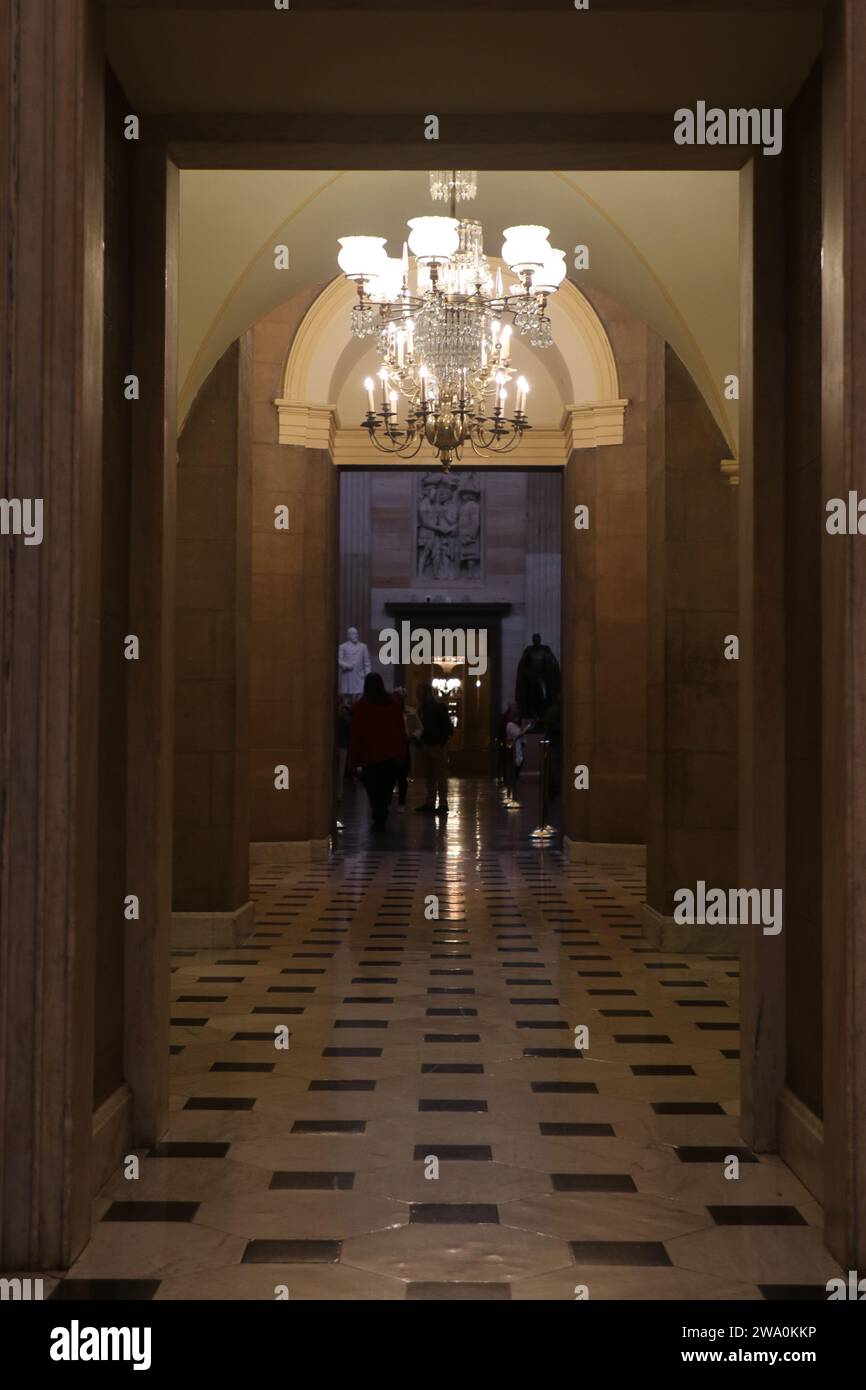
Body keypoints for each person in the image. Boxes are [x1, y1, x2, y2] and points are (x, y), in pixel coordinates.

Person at [348, 673, 407, 831]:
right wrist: (401, 753)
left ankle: (377, 813)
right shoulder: (393, 704)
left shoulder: (362, 705)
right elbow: (399, 730)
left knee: (373, 789)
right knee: (386, 788)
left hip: (370, 756)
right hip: (389, 755)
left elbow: (357, 734)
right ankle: (382, 813)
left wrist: (354, 760)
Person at [413, 681, 452, 815]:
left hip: (437, 745)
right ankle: (430, 801)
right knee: (429, 775)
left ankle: (442, 803)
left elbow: (446, 726)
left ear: (426, 693)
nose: (417, 696)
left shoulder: (437, 706)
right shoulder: (421, 708)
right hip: (427, 744)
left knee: (440, 774)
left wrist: (442, 742)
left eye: (419, 693)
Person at [515, 632, 561, 719]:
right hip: (531, 679)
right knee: (531, 697)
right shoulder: (529, 650)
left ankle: (543, 714)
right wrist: (527, 674)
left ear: (540, 640)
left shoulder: (545, 649)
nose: (536, 640)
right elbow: (523, 665)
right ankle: (533, 714)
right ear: (533, 640)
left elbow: (552, 662)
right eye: (535, 639)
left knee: (544, 696)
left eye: (537, 639)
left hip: (542, 678)